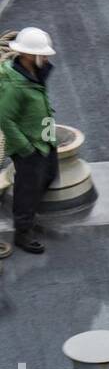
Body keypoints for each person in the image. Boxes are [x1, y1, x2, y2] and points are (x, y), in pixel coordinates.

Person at [0, 27, 59, 254]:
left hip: (44, 138)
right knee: (28, 188)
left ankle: (29, 218)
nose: (46, 58)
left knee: (49, 175)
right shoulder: (13, 85)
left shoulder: (34, 72)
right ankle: (22, 233)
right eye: (42, 54)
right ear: (27, 55)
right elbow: (5, 119)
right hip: (30, 146)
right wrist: (25, 149)